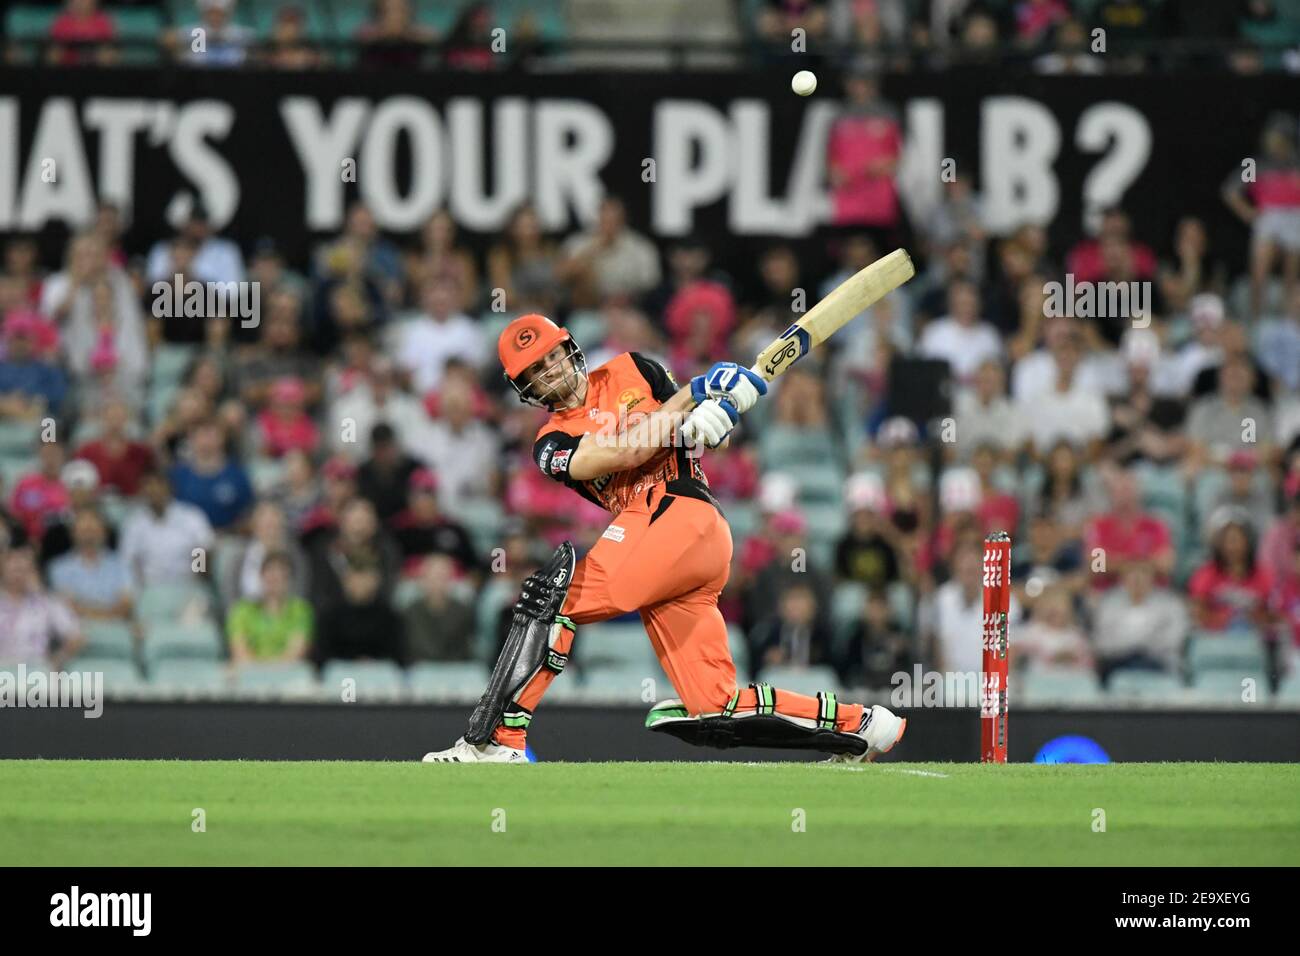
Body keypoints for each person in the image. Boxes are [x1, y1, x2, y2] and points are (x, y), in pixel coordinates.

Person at [423, 313, 907, 763]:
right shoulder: (550, 442)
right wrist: (694, 394)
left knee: (555, 599)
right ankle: (865, 725)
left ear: (569, 348)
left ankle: (498, 742)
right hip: (667, 544)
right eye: (536, 370)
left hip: (681, 513)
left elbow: (695, 438)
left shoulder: (635, 367)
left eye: (552, 356)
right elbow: (626, 451)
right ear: (525, 388)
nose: (551, 371)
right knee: (717, 705)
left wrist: (717, 415)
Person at [226, 551, 313, 665]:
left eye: (281, 576)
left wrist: (268, 671)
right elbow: (240, 652)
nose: (275, 579)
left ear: (289, 580)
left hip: (288, 678)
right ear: (261, 576)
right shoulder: (242, 610)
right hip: (249, 676)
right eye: (270, 574)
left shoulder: (301, 610)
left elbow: (295, 654)